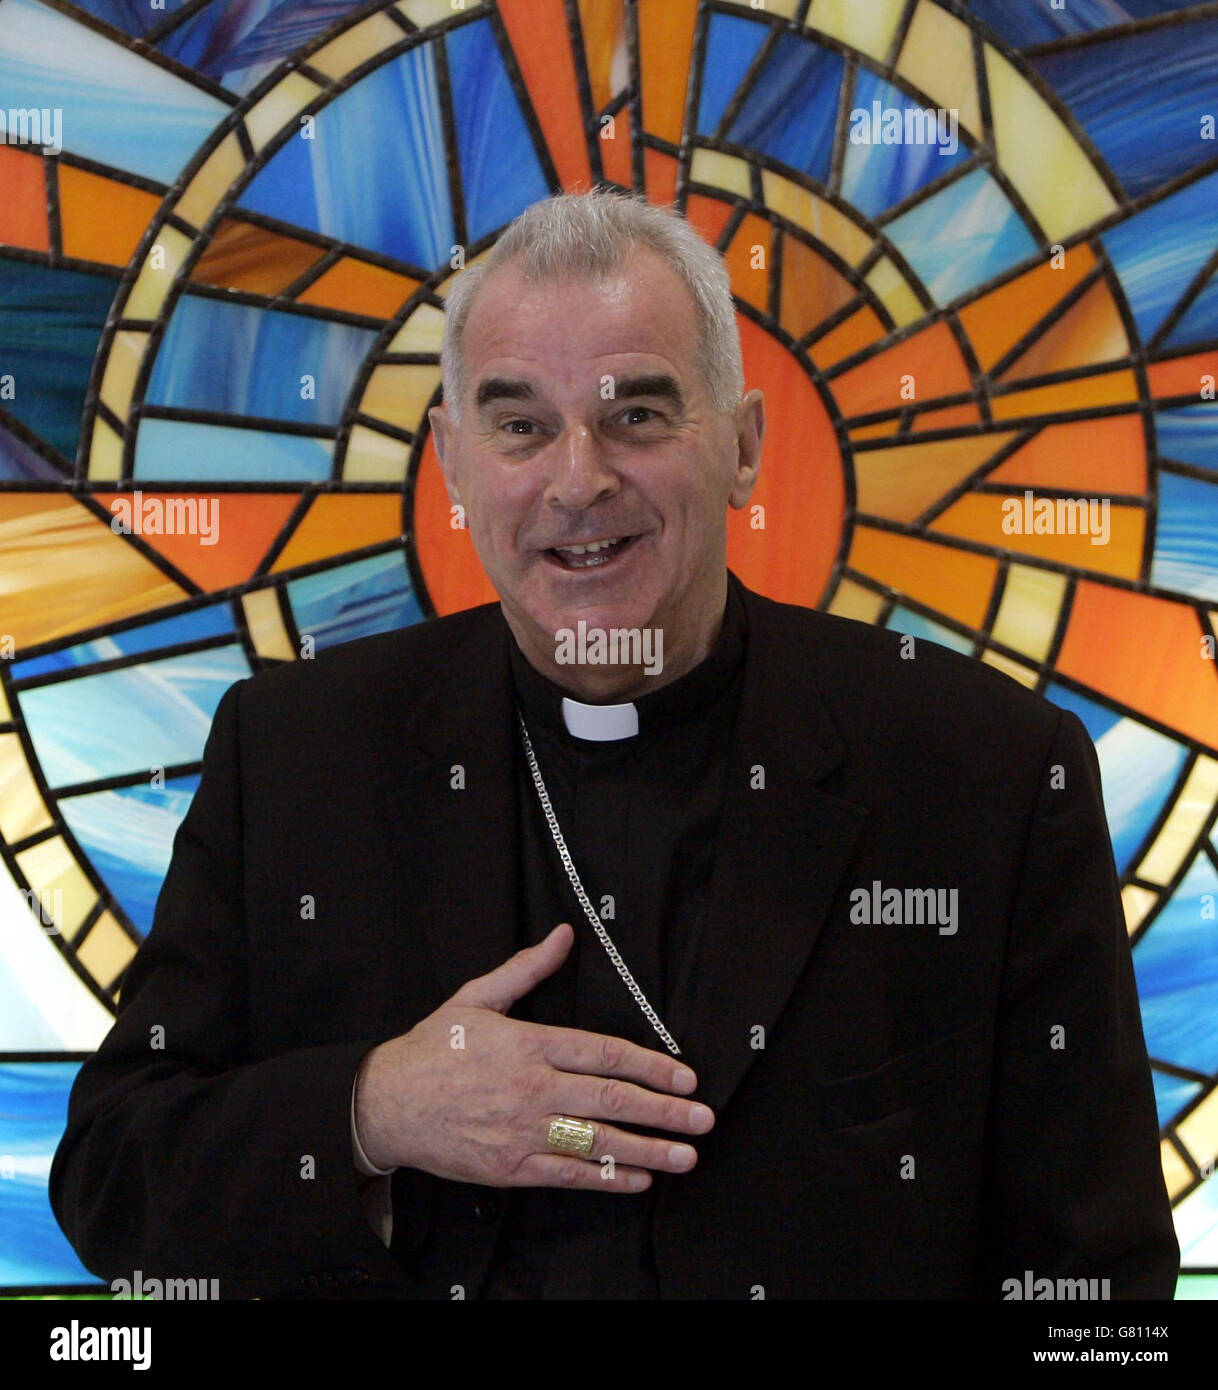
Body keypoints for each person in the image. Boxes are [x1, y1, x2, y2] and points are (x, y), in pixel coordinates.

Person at [50, 188, 1179, 1299]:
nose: (578, 480)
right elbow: (109, 1178)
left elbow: (1098, 1287)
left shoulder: (982, 771)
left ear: (741, 449)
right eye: (522, 425)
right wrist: (373, 1109)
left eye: (637, 414)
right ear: (452, 462)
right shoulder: (295, 754)